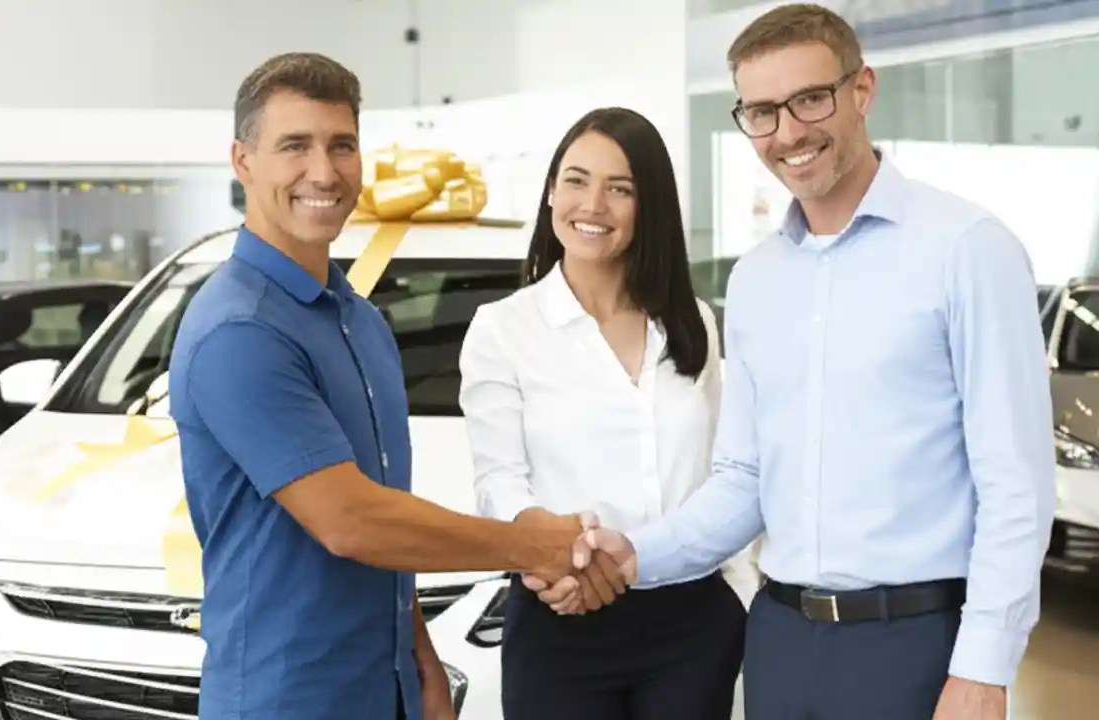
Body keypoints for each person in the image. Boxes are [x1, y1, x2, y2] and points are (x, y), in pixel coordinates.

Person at [535, 4, 1055, 720]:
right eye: (761, 112)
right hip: (778, 638)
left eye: (811, 99)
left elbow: (1015, 486)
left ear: (861, 90)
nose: (788, 133)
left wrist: (984, 669)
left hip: (914, 642)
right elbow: (745, 479)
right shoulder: (756, 281)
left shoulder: (967, 248)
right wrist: (634, 556)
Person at [167, 53, 615, 720]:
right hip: (284, 698)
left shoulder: (360, 322)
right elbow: (351, 521)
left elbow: (385, 519)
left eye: (341, 145)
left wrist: (421, 663)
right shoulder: (239, 330)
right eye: (295, 145)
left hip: (385, 690)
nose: (323, 171)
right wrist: (535, 544)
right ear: (243, 161)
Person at [458, 107, 748, 719]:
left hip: (691, 622)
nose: (593, 205)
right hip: (562, 615)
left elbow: (728, 470)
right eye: (577, 180)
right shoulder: (504, 329)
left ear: (650, 208)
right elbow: (498, 480)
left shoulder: (693, 323)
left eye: (621, 189)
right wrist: (558, 562)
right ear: (550, 192)